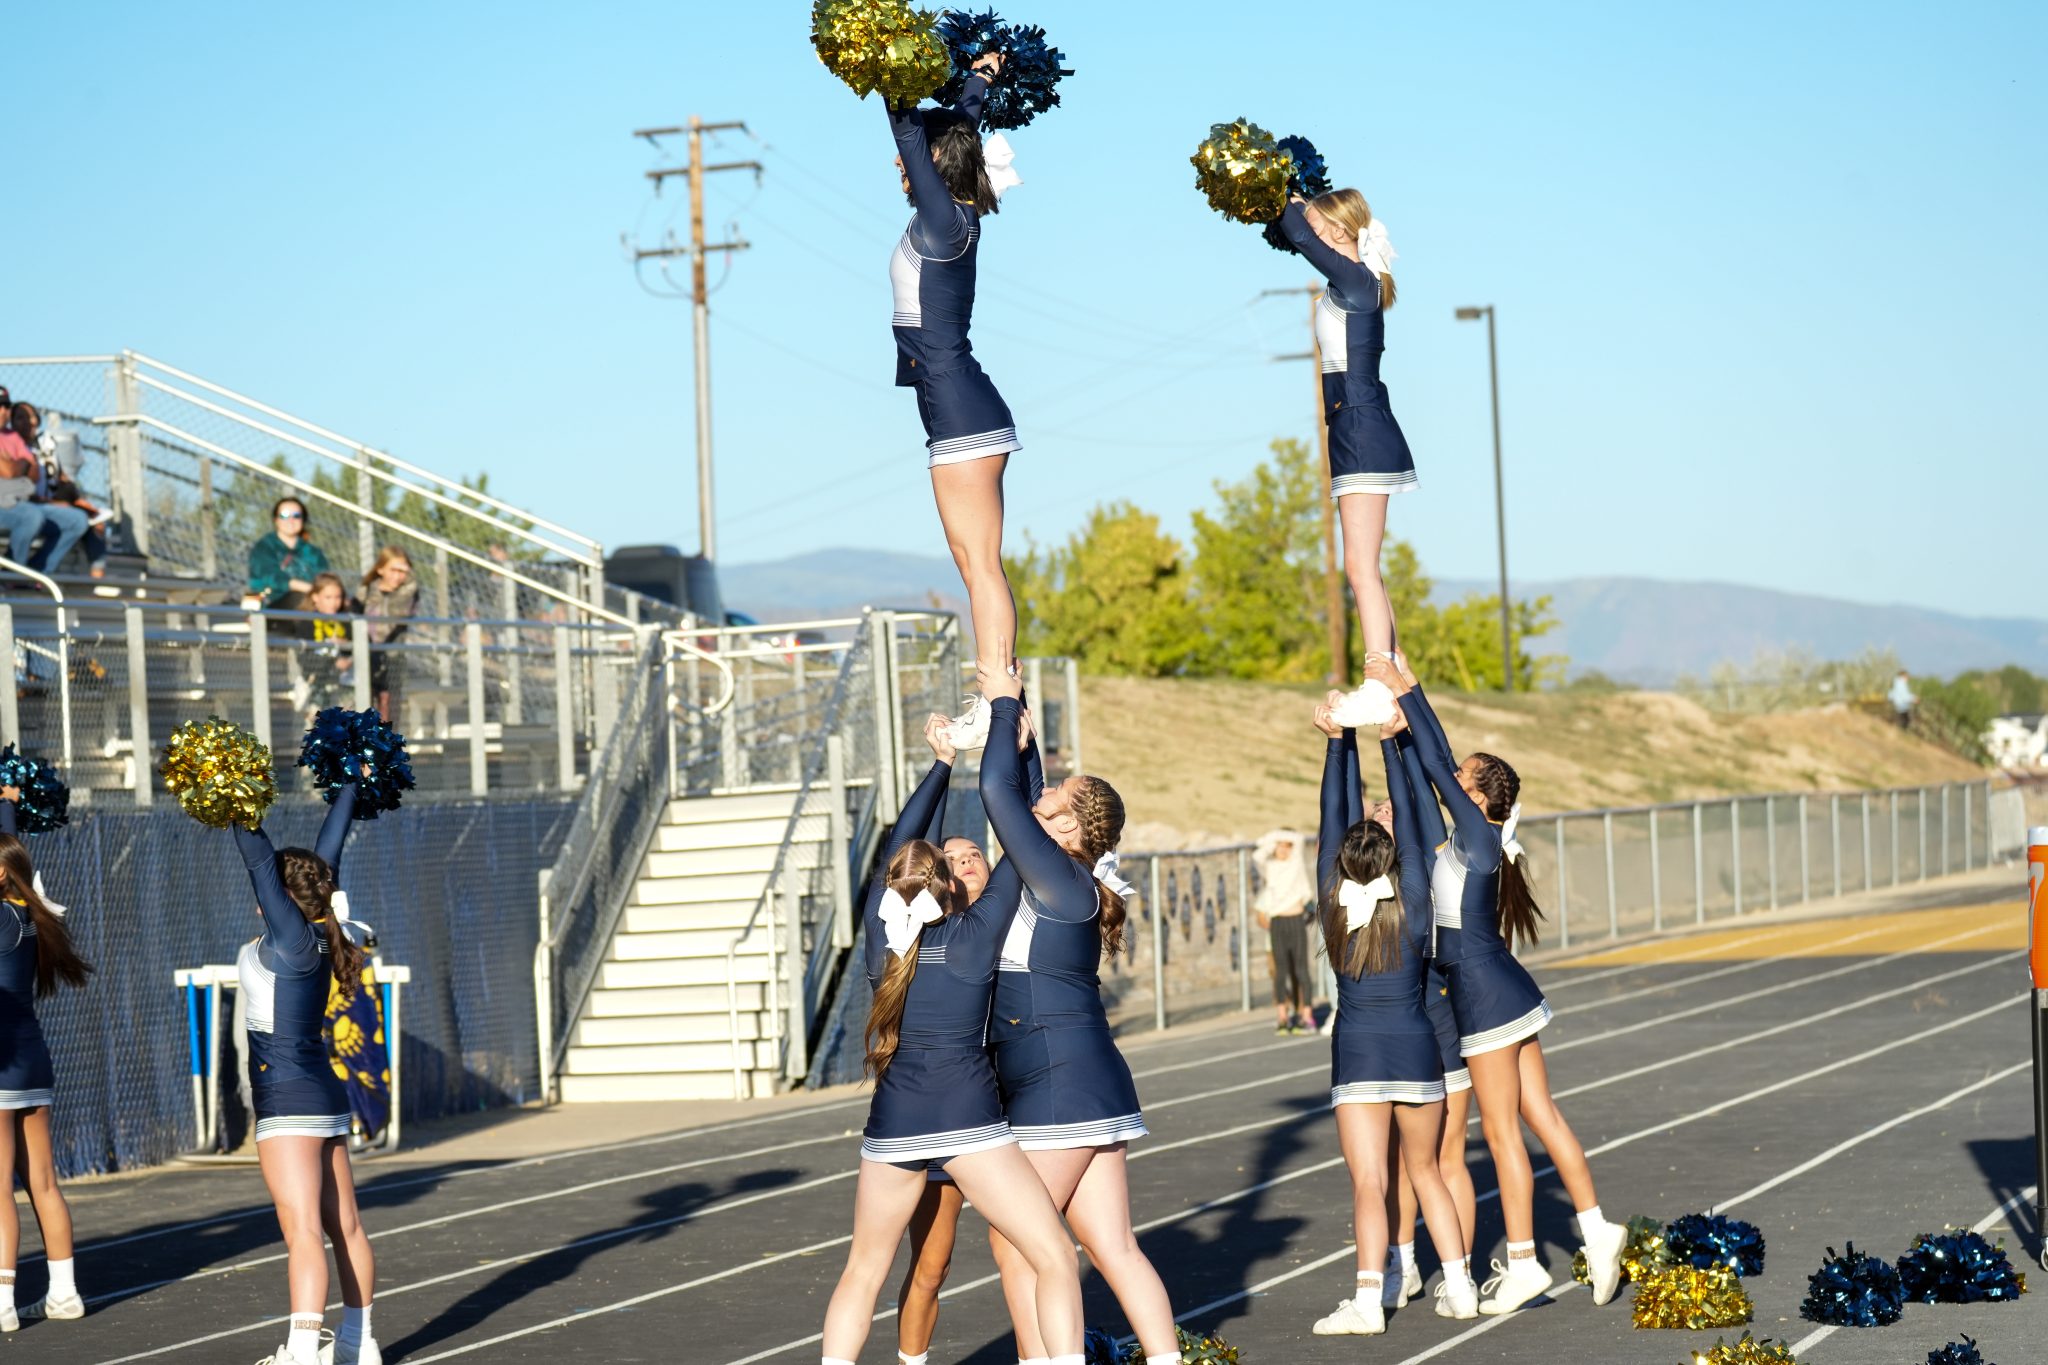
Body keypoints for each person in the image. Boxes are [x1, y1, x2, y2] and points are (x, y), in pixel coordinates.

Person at [1364, 653, 1627, 1316]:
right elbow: (1434, 765)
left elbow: (1437, 762)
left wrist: (1409, 695)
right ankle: (1597, 1228)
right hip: (1507, 989)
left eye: (1463, 779)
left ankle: (1524, 1261)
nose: (1453, 779)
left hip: (1485, 998)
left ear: (1479, 797)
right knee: (1541, 1115)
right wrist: (1399, 727)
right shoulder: (1470, 840)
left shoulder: (1478, 839)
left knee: (1505, 1132)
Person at [819, 713, 1086, 1365]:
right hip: (969, 1123)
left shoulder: (885, 943)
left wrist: (940, 762)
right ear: (949, 887)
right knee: (1052, 1254)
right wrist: (1013, 752)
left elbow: (906, 841)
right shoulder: (973, 938)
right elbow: (1019, 845)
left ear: (892, 888)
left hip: (895, 1123)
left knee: (863, 1271)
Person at [978, 670, 1183, 1365]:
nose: (1046, 794)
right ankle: (1166, 1358)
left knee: (1018, 1240)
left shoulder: (1057, 876)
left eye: (1058, 795)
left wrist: (1005, 709)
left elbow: (997, 795)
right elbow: (1030, 801)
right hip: (1087, 1078)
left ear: (1069, 825)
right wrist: (1026, 736)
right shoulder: (1068, 874)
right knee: (1114, 1244)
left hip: (1057, 1080)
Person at [1305, 698, 1476, 1335]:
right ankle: (1459, 1287)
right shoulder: (1416, 903)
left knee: (1370, 1183)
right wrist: (1388, 738)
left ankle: (1368, 1301)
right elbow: (1405, 816)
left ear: (1340, 862)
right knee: (1426, 1171)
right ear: (1396, 861)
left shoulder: (1330, 903)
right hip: (1417, 1050)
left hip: (1358, 1055)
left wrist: (1336, 743)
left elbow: (1332, 817)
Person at [886, 51, 1021, 747]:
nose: (899, 169)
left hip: (962, 415)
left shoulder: (944, 220)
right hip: (957, 412)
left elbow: (911, 132)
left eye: (913, 163)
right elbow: (954, 128)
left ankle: (998, 692)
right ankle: (1000, 691)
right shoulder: (957, 212)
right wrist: (980, 80)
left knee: (979, 561)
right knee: (974, 563)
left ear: (937, 166)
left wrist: (885, 66)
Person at [229, 774, 381, 1365]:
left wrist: (228, 793)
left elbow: (258, 857)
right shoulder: (320, 931)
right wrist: (350, 784)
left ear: (283, 897)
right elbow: (329, 849)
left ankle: (300, 1352)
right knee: (345, 1225)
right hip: (322, 1092)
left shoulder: (292, 937)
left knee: (302, 1233)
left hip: (286, 1100)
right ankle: (357, 1345)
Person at [1276, 190, 1411, 717]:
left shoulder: (1358, 280)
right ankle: (1393, 671)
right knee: (1363, 567)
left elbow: (1298, 232)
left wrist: (1270, 182)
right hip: (1351, 425)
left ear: (1337, 229)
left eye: (1316, 216)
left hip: (1360, 424)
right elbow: (1302, 231)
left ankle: (1379, 680)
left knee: (1360, 567)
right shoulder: (1349, 282)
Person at [1381, 732, 1478, 1310]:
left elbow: (1420, 797)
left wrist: (1399, 743)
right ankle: (1406, 1263)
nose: (1384, 810)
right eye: (1377, 811)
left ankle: (1457, 1268)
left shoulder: (1427, 873)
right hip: (1397, 1031)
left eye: (1389, 807)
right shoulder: (1365, 881)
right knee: (1399, 1162)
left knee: (1441, 1160)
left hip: (1437, 1024)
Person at [0, 786, 92, 1332]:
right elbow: (14, 852)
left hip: (2, 1061)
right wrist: (7, 803)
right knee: (43, 1182)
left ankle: (4, 1301)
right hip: (32, 1060)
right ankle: (63, 1294)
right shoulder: (30, 913)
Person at [10, 404, 107, 577]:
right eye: (20, 418)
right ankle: (14, 572)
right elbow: (22, 488)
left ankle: (98, 581)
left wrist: (81, 504)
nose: (28, 422)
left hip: (46, 502)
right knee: (33, 517)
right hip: (25, 505)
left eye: (31, 416)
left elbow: (62, 480)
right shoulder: (11, 443)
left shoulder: (45, 444)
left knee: (87, 519)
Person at [0, 416, 86, 575]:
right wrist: (21, 464)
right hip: (6, 505)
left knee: (77, 520)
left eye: (6, 406)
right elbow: (8, 470)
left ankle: (36, 573)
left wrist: (15, 464)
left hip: (23, 501)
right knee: (31, 517)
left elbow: (34, 474)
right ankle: (12, 574)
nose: (3, 410)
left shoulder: (12, 436)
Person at [1254, 829, 1316, 1034]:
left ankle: (1306, 1015)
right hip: (1278, 922)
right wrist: (1273, 842)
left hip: (1295, 920)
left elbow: (1298, 839)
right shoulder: (1270, 867)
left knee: (1300, 969)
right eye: (1279, 845)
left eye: (1286, 845)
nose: (1282, 849)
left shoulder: (1295, 864)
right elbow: (1257, 855)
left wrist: (1286, 838)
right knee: (1280, 971)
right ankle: (1282, 1016)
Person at [360, 548, 419, 727]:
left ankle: (386, 748)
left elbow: (396, 614)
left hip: (392, 656)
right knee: (364, 703)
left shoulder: (408, 592)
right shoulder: (367, 589)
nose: (398, 576)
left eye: (403, 571)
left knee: (388, 703)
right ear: (381, 569)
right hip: (366, 654)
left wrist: (408, 576)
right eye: (393, 570)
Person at [248, 498, 330, 612]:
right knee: (298, 598)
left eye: (296, 515)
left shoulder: (313, 552)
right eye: (284, 515)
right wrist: (310, 589)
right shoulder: (264, 548)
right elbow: (270, 578)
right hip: (271, 607)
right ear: (276, 520)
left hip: (311, 602)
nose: (291, 520)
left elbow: (324, 579)